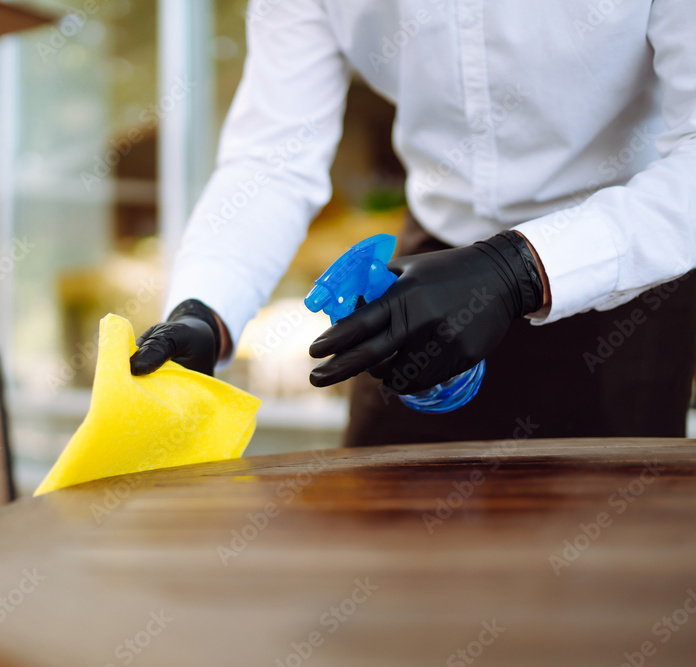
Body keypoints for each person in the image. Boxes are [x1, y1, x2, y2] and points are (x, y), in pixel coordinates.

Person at [129, 0, 696, 445]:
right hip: (428, 271)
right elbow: (272, 159)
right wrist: (206, 310)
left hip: (620, 262)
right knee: (377, 531)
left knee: (610, 538)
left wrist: (517, 270)